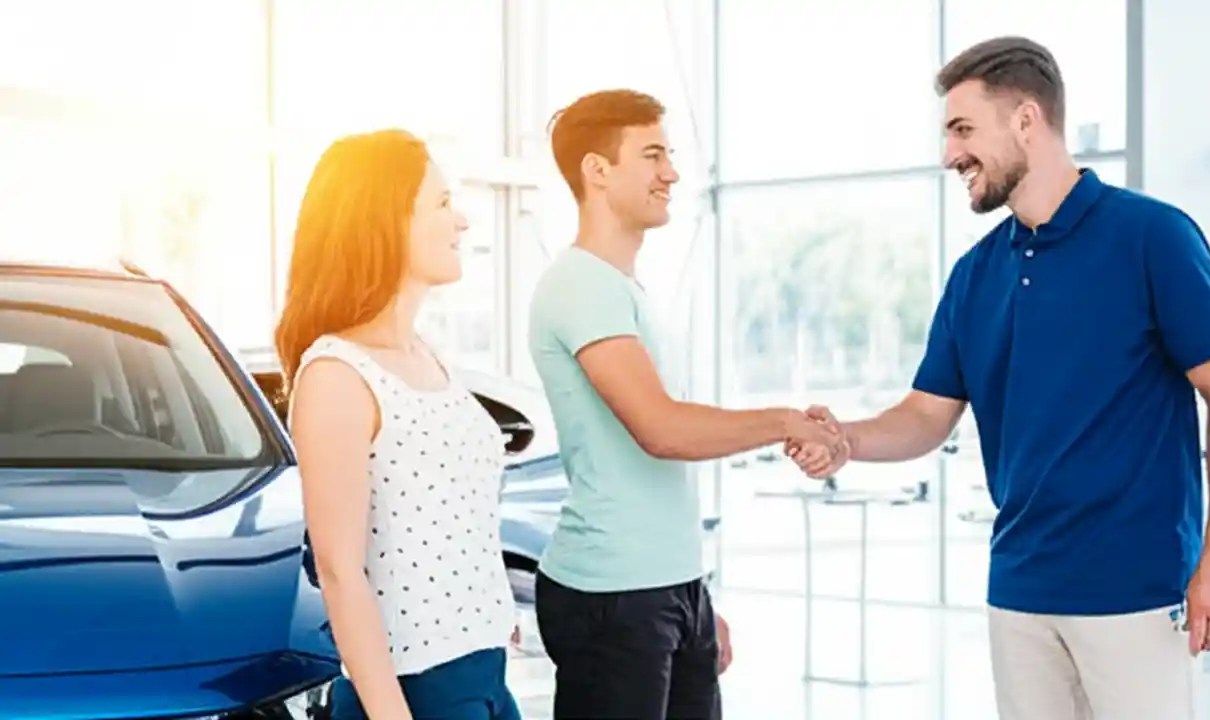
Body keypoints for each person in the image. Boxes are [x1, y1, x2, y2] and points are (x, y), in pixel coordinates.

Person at [794, 36, 1210, 720]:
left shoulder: (1152, 236)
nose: (950, 154)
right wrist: (845, 441)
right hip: (1018, 589)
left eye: (962, 129)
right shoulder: (975, 274)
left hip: (1134, 589)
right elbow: (926, 415)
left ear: (1025, 121)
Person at [526, 89, 842, 720]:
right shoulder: (580, 284)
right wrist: (784, 421)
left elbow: (654, 470)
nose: (671, 172)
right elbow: (661, 429)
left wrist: (693, 594)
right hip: (613, 596)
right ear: (597, 170)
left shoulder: (622, 288)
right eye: (652, 155)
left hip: (663, 588)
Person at [275, 129, 522, 720]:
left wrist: (487, 617)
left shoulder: (425, 354)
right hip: (413, 693)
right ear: (383, 222)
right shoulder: (337, 374)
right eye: (441, 203)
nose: (461, 221)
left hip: (482, 673)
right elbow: (340, 571)